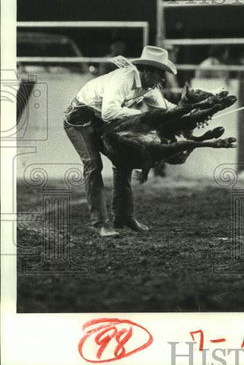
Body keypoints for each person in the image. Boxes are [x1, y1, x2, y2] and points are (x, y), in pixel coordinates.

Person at [63, 46, 177, 238]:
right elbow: (109, 112)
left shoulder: (149, 85)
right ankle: (100, 223)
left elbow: (165, 109)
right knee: (93, 165)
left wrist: (194, 110)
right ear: (148, 71)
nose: (163, 79)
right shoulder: (123, 79)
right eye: (160, 73)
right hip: (79, 118)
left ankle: (123, 216)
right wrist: (143, 115)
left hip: (99, 119)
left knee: (123, 160)